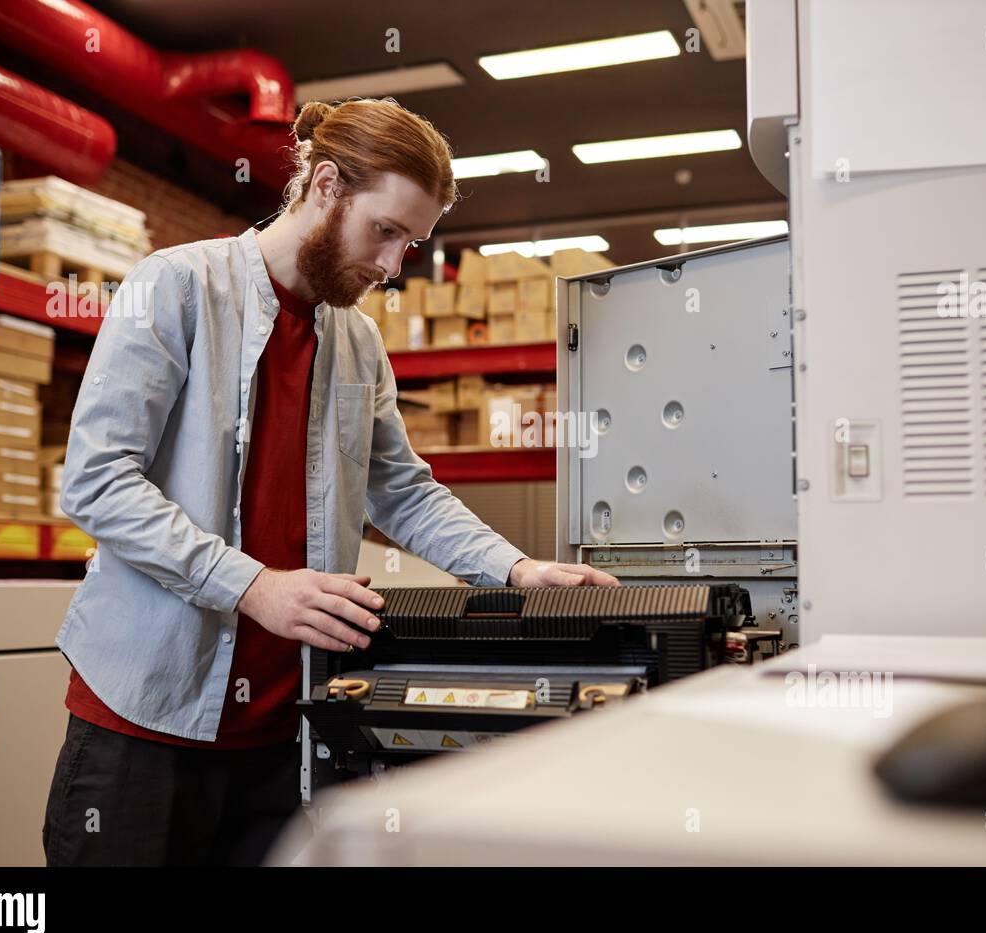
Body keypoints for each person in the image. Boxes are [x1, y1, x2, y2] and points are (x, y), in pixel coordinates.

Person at [42, 97, 619, 866]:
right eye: (385, 231)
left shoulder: (357, 343)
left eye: (409, 245)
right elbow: (98, 480)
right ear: (324, 186)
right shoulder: (176, 289)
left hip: (286, 731)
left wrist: (516, 569)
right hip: (146, 723)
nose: (389, 266)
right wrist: (254, 587)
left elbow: (404, 492)